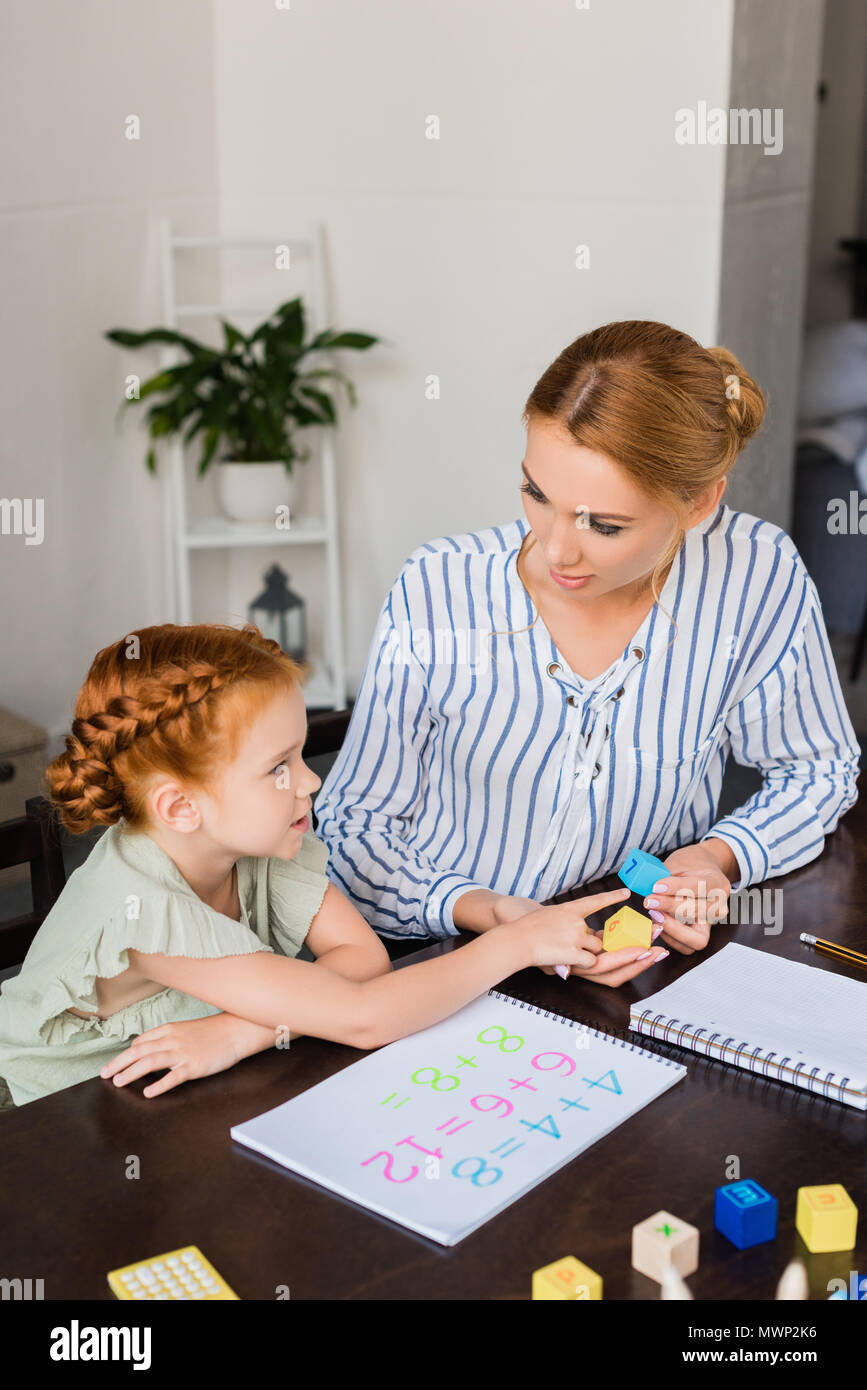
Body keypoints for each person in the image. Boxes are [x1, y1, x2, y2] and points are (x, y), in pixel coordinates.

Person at [315, 320, 861, 969]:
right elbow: (353, 828)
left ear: (699, 502)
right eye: (536, 494)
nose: (556, 549)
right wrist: (494, 915)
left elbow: (816, 770)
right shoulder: (439, 587)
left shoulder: (754, 575)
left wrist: (712, 861)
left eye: (603, 524)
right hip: (432, 950)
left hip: (624, 952)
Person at [0, 622, 648, 1112]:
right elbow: (363, 1015)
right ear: (180, 805)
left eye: (302, 756)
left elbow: (359, 960)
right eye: (278, 767)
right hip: (55, 1109)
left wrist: (238, 1032)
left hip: (174, 1080)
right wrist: (511, 944)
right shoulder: (139, 909)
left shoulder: (255, 838)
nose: (310, 782)